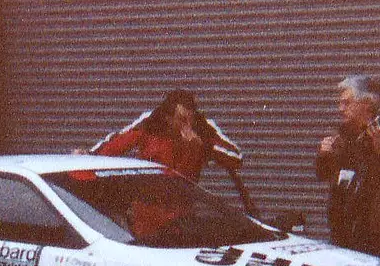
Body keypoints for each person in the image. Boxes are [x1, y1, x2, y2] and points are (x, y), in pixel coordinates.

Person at [79, 89, 257, 214]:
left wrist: (203, 144)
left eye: (190, 119)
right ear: (168, 117)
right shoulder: (150, 123)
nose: (187, 125)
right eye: (181, 120)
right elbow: (114, 144)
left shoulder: (203, 127)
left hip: (182, 213)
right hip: (145, 211)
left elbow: (236, 157)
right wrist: (89, 156)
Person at [315, 75, 380, 256]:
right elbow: (322, 175)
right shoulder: (342, 136)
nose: (340, 108)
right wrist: (324, 155)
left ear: (366, 104)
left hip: (370, 236)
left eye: (347, 103)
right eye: (340, 103)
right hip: (340, 230)